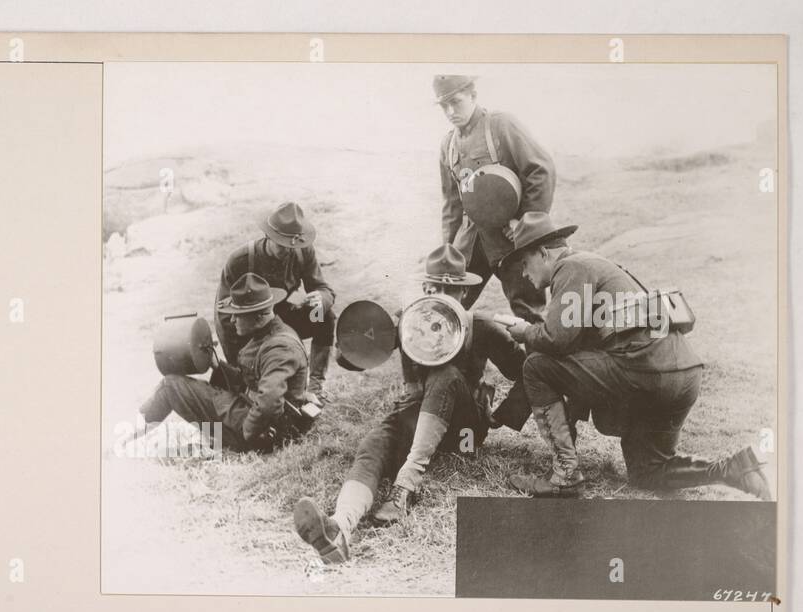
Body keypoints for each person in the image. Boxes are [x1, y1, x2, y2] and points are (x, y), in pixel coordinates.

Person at [497, 212, 771, 500]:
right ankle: (732, 469)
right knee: (648, 472)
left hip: (644, 371)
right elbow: (577, 357)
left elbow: (556, 340)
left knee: (537, 366)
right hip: (684, 376)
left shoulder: (570, 268)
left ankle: (565, 474)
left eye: (524, 264)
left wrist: (525, 331)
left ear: (543, 253)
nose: (524, 275)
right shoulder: (596, 265)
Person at [292, 244, 526, 564]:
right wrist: (358, 339)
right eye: (436, 287)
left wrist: (502, 415)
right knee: (372, 446)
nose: (442, 294)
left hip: (462, 430)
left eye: (452, 290)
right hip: (415, 415)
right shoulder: (409, 323)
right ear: (426, 286)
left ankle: (405, 488)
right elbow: (350, 359)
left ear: (464, 294)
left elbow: (525, 370)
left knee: (445, 375)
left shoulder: (478, 326)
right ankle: (340, 527)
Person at [434, 74, 553, 430]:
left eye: (457, 101)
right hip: (473, 241)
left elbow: (540, 169)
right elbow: (452, 202)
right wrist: (448, 249)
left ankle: (526, 403)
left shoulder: (501, 125)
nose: (451, 111)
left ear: (473, 95)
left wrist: (529, 225)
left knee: (531, 322)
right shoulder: (448, 145)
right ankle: (452, 398)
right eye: (444, 105)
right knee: (447, 312)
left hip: (513, 240)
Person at [139, 273, 313, 453]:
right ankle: (137, 429)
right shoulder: (270, 334)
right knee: (178, 387)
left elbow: (269, 402)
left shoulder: (280, 348)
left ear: (259, 316)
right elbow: (253, 383)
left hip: (262, 433)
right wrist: (218, 366)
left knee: (170, 386)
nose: (232, 320)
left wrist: (248, 435)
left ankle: (131, 436)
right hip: (254, 417)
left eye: (238, 315)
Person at [216, 202, 337, 396]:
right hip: (253, 327)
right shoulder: (241, 260)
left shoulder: (302, 251)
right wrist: (237, 364)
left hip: (284, 319)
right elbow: (224, 317)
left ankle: (316, 387)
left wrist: (320, 299)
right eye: (281, 244)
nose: (288, 250)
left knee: (324, 316)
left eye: (292, 244)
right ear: (267, 236)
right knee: (258, 386)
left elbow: (322, 288)